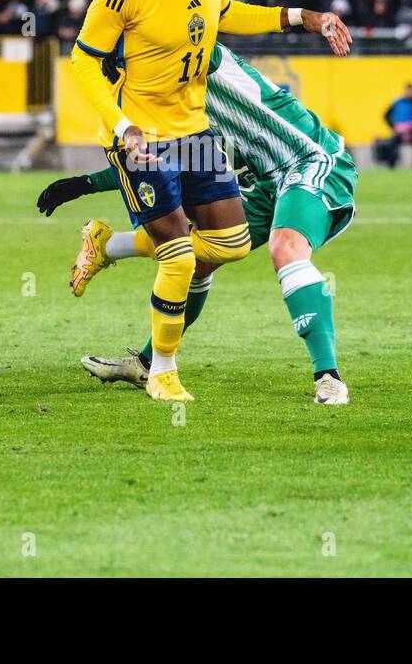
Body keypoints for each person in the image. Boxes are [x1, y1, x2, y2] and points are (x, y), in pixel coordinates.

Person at [68, 0, 350, 402]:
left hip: (194, 132)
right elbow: (83, 62)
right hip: (142, 139)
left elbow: (227, 14)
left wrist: (300, 18)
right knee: (178, 256)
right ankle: (163, 373)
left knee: (231, 244)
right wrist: (123, 127)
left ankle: (111, 244)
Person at [41, 40, 357, 405]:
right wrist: (85, 184)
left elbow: (209, 2)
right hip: (261, 183)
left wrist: (299, 18)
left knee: (286, 247)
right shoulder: (168, 110)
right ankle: (148, 360)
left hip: (308, 159)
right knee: (195, 262)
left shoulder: (200, 52)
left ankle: (329, 378)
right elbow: (161, 160)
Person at [383, 83, 412, 168]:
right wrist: (394, 127)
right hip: (399, 132)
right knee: (392, 143)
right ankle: (391, 165)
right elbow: (386, 116)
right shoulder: (397, 102)